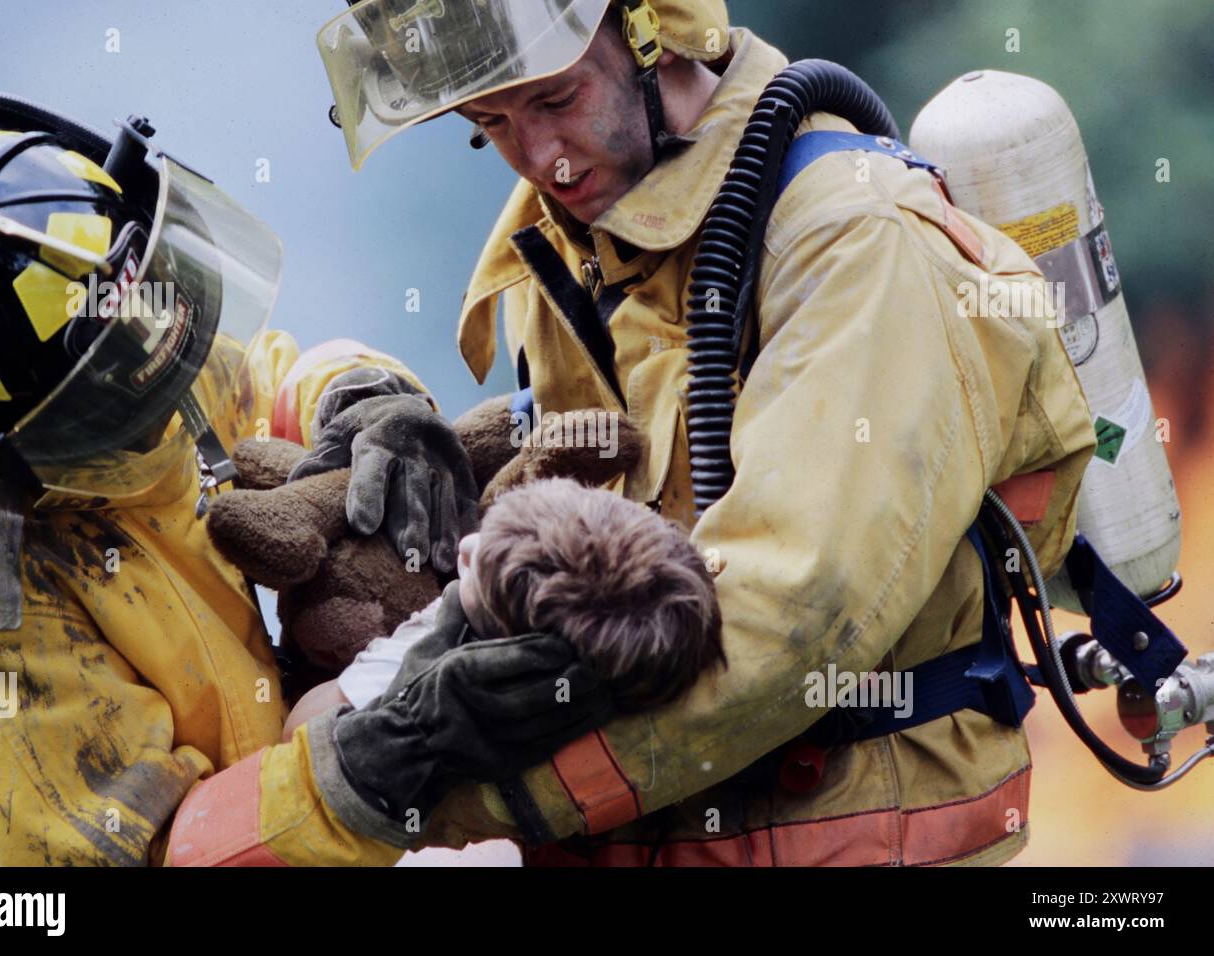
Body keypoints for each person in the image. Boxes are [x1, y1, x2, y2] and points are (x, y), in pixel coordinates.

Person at [303, 0, 1099, 866]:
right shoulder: (570, 243)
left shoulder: (853, 240)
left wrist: (417, 782)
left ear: (657, 35)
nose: (539, 159)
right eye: (490, 123)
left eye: (558, 101)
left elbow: (785, 620)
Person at [0, 90, 612, 866]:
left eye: (153, 315)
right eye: (118, 396)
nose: (165, 383)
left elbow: (263, 380)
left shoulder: (125, 331)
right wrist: (366, 763)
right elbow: (137, 859)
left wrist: (363, 397)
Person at [283, 476, 726, 737]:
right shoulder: (622, 683)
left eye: (474, 567)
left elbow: (300, 730)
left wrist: (428, 626)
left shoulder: (428, 663)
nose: (466, 543)